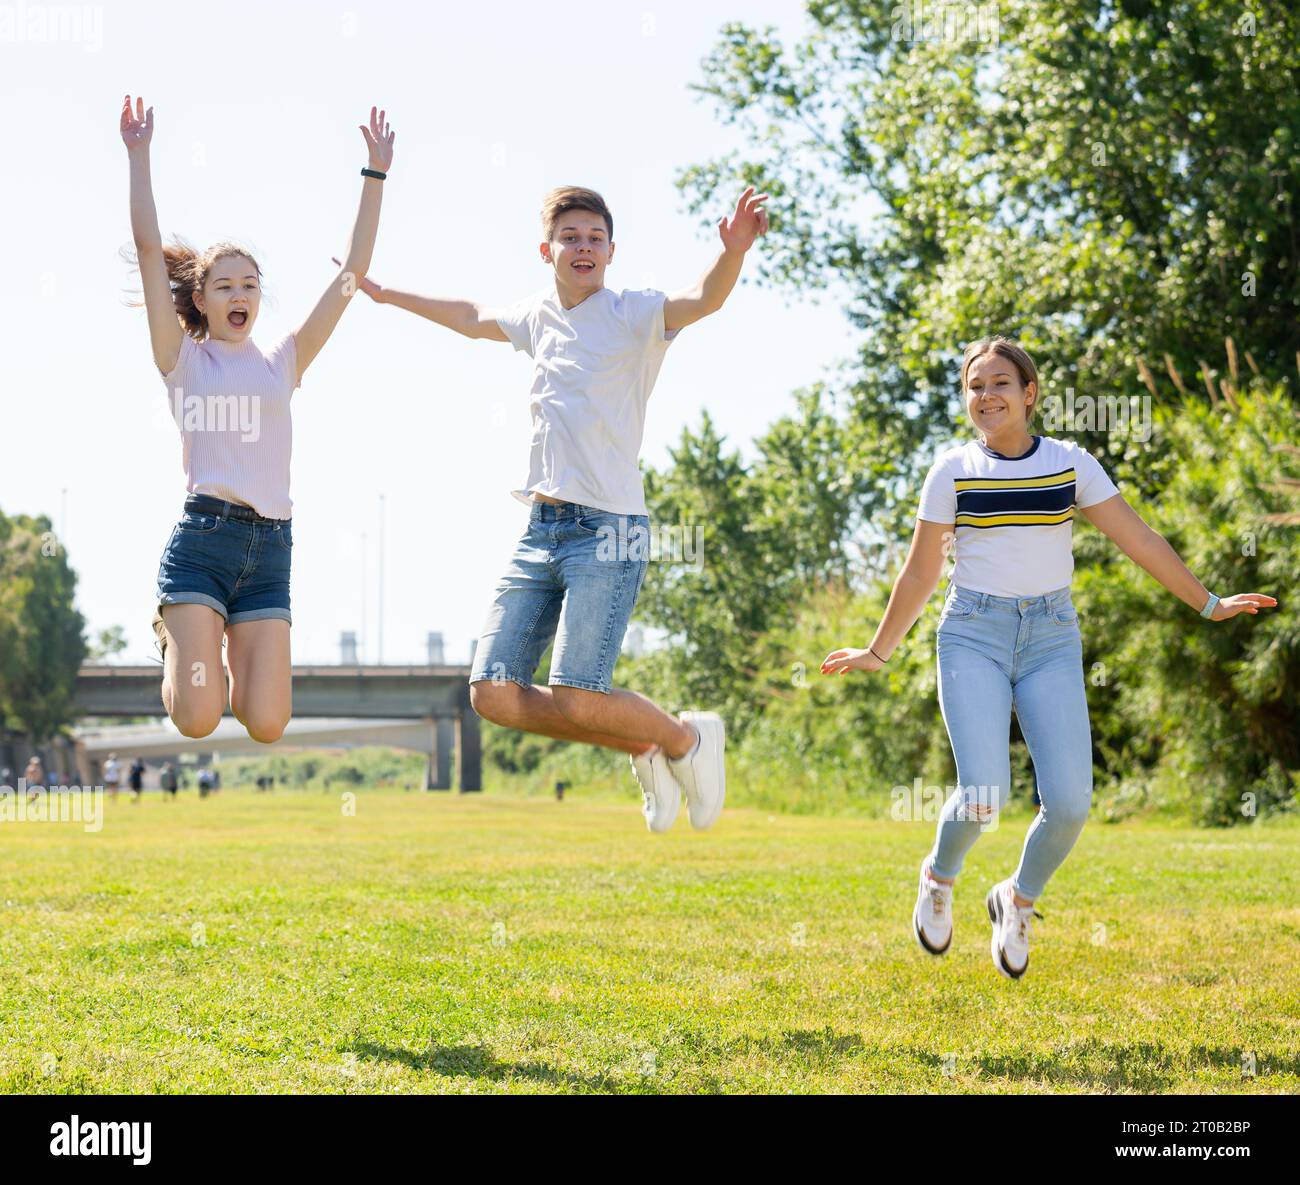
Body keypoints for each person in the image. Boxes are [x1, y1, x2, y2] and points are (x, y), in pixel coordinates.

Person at [821, 336, 1276, 979]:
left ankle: (1016, 899)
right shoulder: (952, 471)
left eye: (1000, 383)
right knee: (983, 794)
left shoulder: (1069, 464)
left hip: (1051, 638)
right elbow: (922, 571)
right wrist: (878, 649)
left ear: (1029, 393)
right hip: (972, 632)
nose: (986, 396)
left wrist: (1208, 603)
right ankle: (939, 876)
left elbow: (1138, 539)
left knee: (1068, 804)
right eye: (975, 387)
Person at [352, 185, 769, 833]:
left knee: (578, 692)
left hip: (608, 528)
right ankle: (643, 741)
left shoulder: (634, 313)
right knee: (491, 691)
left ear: (611, 251)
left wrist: (734, 252)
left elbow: (704, 299)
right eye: (570, 238)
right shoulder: (537, 315)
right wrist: (387, 294)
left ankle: (687, 738)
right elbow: (469, 317)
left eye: (595, 238)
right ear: (547, 250)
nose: (583, 247)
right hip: (540, 530)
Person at [120, 94, 396, 744]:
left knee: (268, 723)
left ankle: (209, 648)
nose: (240, 294)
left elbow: (353, 274)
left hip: (271, 547)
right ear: (200, 299)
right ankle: (176, 633)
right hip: (202, 542)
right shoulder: (182, 360)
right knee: (197, 716)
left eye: (250, 283)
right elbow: (144, 245)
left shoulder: (283, 361)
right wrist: (139, 156)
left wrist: (376, 173)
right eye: (225, 285)